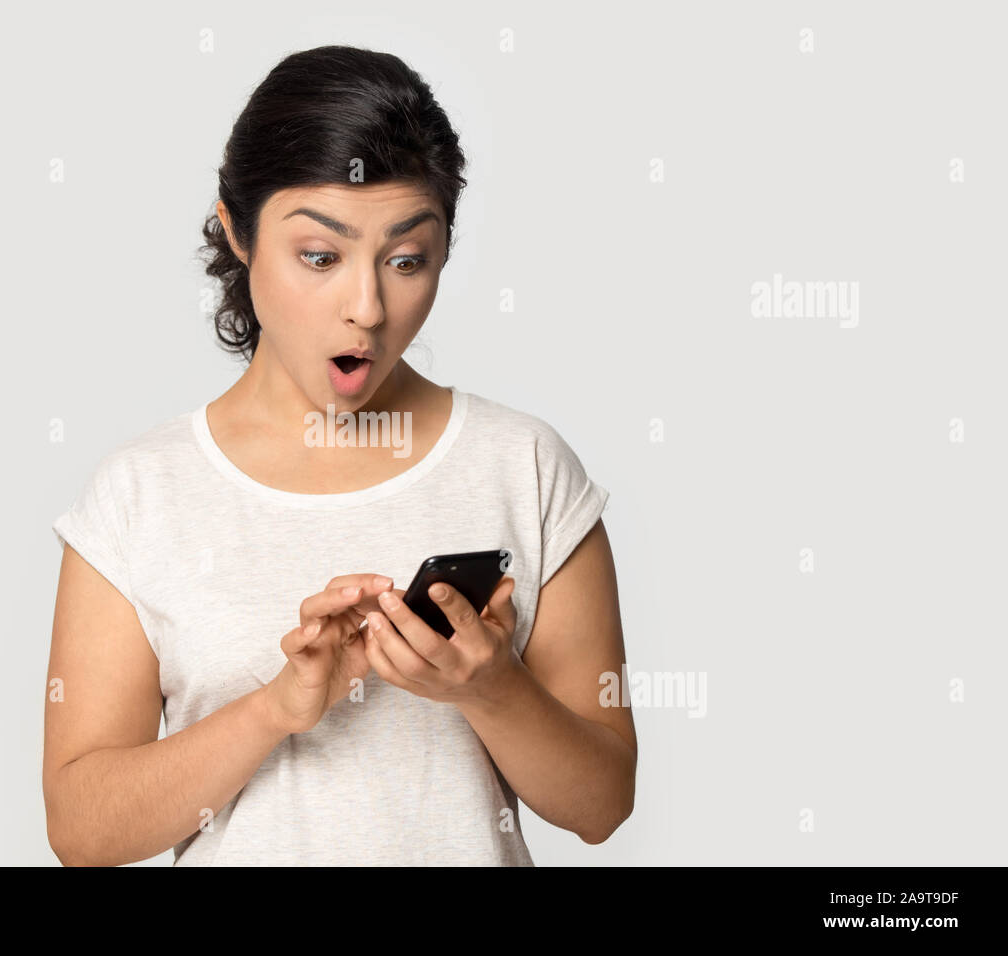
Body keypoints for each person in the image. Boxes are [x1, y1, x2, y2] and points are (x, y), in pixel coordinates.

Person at [43, 44, 635, 866]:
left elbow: (602, 805)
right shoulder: (140, 493)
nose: (367, 307)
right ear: (237, 233)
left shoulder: (524, 466)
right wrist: (276, 709)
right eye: (320, 258)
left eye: (406, 261)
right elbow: (80, 829)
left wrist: (491, 689)